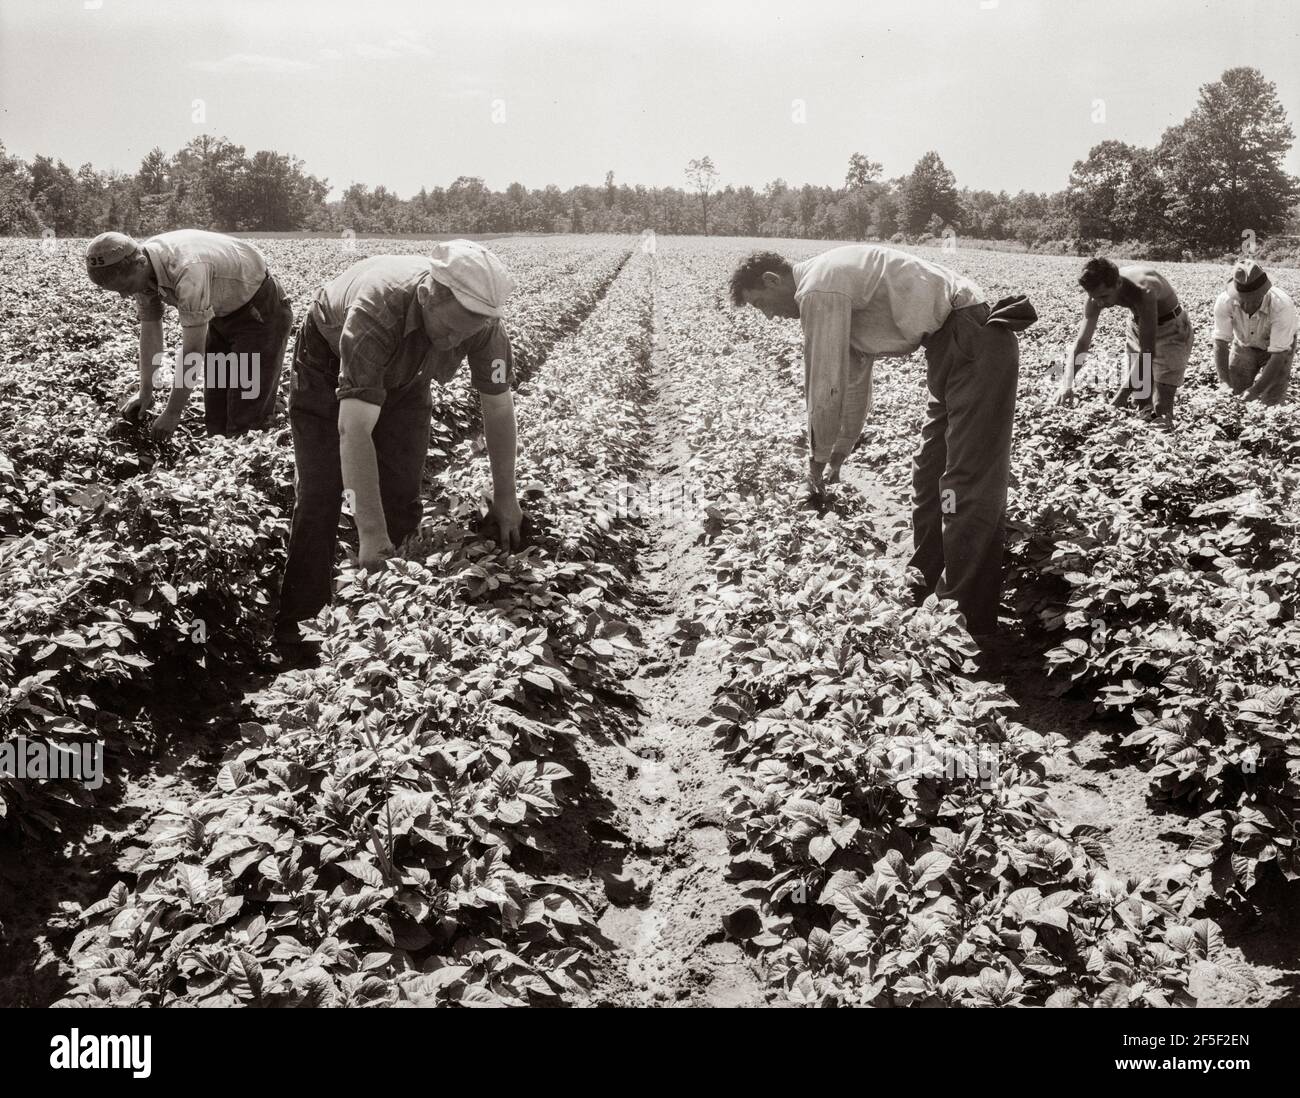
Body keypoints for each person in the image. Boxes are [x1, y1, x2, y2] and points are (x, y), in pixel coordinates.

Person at [729, 245, 1034, 653]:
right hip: (951, 346)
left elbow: (825, 383)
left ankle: (965, 618)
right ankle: (922, 582)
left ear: (771, 280)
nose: (768, 315)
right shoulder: (826, 283)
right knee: (930, 474)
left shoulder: (818, 289)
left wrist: (816, 461)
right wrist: (837, 455)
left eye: (761, 304)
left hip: (973, 339)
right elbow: (852, 379)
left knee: (966, 484)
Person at [274, 240, 523, 653]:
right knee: (321, 494)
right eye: (451, 327)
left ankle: (391, 622)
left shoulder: (482, 324)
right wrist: (369, 531)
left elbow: (497, 408)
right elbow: (353, 429)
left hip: (409, 376)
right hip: (326, 364)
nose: (457, 341)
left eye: (469, 332)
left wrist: (505, 496)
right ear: (428, 296)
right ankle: (298, 631)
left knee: (402, 493)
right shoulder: (376, 311)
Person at [84, 230, 292, 438]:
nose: (124, 295)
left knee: (246, 415)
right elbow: (150, 330)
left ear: (140, 263)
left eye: (126, 287)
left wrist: (173, 413)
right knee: (216, 413)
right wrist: (145, 391)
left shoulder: (187, 269)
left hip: (261, 315)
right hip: (220, 316)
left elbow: (193, 351)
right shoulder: (141, 266)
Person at [1055, 257, 1193, 427]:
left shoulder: (1144, 291)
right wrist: (1066, 383)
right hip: (1138, 324)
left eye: (1104, 296)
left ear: (1118, 283)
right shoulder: (1096, 296)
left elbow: (1147, 353)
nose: (1100, 303)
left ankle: (1165, 441)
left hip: (1171, 329)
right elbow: (1082, 343)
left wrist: (1119, 398)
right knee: (1141, 398)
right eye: (1094, 297)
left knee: (1161, 408)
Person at [1213, 259, 1296, 405]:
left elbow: (1279, 355)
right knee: (1234, 394)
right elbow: (1220, 341)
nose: (1246, 306)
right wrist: (1224, 382)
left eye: (1253, 300)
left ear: (1264, 293)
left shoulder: (1281, 306)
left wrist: (1256, 390)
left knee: (1272, 399)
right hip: (1243, 345)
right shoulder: (1225, 301)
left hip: (1278, 350)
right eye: (1242, 299)